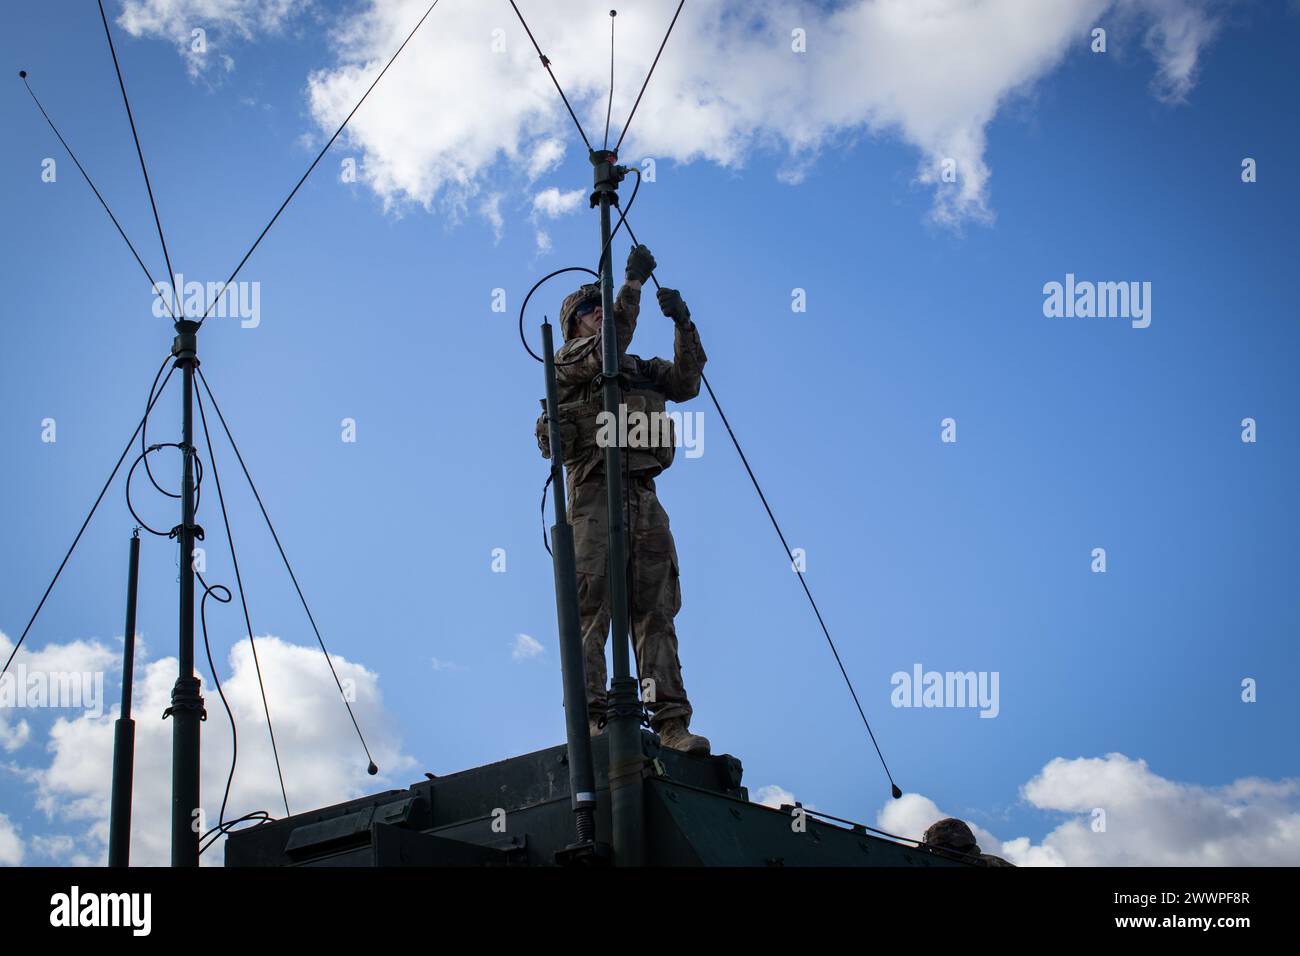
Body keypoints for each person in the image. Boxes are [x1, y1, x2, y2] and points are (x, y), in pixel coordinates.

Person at [535, 244, 711, 755]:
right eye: (587, 309)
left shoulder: (632, 366)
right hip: (594, 496)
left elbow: (686, 382)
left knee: (654, 613)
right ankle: (591, 719)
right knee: (592, 609)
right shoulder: (572, 360)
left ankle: (670, 723)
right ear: (572, 327)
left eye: (599, 304)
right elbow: (607, 345)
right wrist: (630, 285)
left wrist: (683, 323)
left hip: (641, 495)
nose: (597, 312)